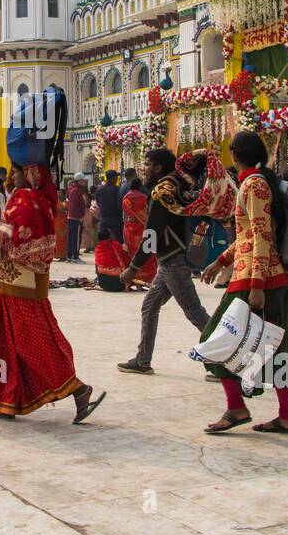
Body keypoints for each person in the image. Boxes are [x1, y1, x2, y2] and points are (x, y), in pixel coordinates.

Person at [0, 157, 106, 423]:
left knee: (30, 341)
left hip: (16, 279)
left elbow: (7, 237)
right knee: (8, 338)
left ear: (28, 174)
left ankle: (77, 388)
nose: (11, 179)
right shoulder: (43, 199)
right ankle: (2, 399)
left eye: (15, 174)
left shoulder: (23, 199)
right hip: (28, 280)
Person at [199, 131, 288, 435]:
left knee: (216, 340)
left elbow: (261, 237)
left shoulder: (253, 184)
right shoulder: (260, 182)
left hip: (257, 281)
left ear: (235, 155)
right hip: (267, 277)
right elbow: (249, 236)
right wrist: (222, 260)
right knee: (275, 349)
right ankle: (287, 415)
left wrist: (256, 285)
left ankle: (236, 407)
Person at [117, 149, 231, 375]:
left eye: (148, 163)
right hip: (170, 260)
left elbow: (152, 234)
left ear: (158, 167)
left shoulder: (163, 191)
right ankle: (142, 360)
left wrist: (133, 267)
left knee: (195, 312)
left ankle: (226, 361)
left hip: (172, 261)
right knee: (149, 307)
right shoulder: (179, 185)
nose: (144, 168)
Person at [120, 177, 157, 286]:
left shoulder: (125, 198)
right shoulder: (144, 197)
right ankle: (147, 279)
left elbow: (124, 216)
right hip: (142, 227)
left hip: (129, 227)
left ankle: (134, 278)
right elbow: (147, 214)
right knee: (145, 251)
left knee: (132, 252)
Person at [93, 226, 131, 291]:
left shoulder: (97, 248)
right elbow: (126, 261)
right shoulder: (115, 245)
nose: (114, 235)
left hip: (103, 284)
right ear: (109, 237)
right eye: (112, 234)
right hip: (119, 284)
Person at [95, 170, 124, 242]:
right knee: (119, 241)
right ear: (113, 178)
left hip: (104, 219)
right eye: (116, 177)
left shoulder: (99, 189)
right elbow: (121, 204)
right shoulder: (117, 189)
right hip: (116, 219)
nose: (117, 179)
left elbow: (98, 202)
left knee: (103, 242)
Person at [64, 174, 86, 262]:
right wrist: (79, 216)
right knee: (76, 238)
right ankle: (75, 256)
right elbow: (74, 205)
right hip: (75, 217)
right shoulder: (76, 191)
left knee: (71, 237)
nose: (84, 182)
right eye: (82, 180)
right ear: (79, 181)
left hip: (71, 216)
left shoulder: (71, 190)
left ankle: (69, 255)